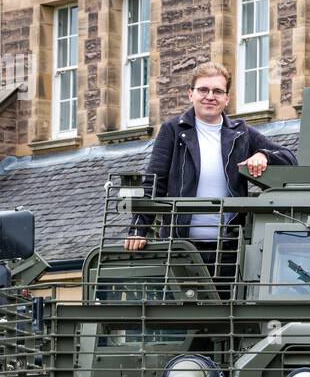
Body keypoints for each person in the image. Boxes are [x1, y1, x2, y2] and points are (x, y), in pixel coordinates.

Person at [125, 62, 297, 282]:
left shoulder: (242, 133)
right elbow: (154, 182)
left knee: (228, 312)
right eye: (203, 90)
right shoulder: (172, 130)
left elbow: (289, 158)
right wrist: (138, 229)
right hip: (179, 248)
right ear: (191, 94)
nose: (210, 96)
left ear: (226, 98)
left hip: (228, 250)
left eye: (217, 91)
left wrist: (263, 155)